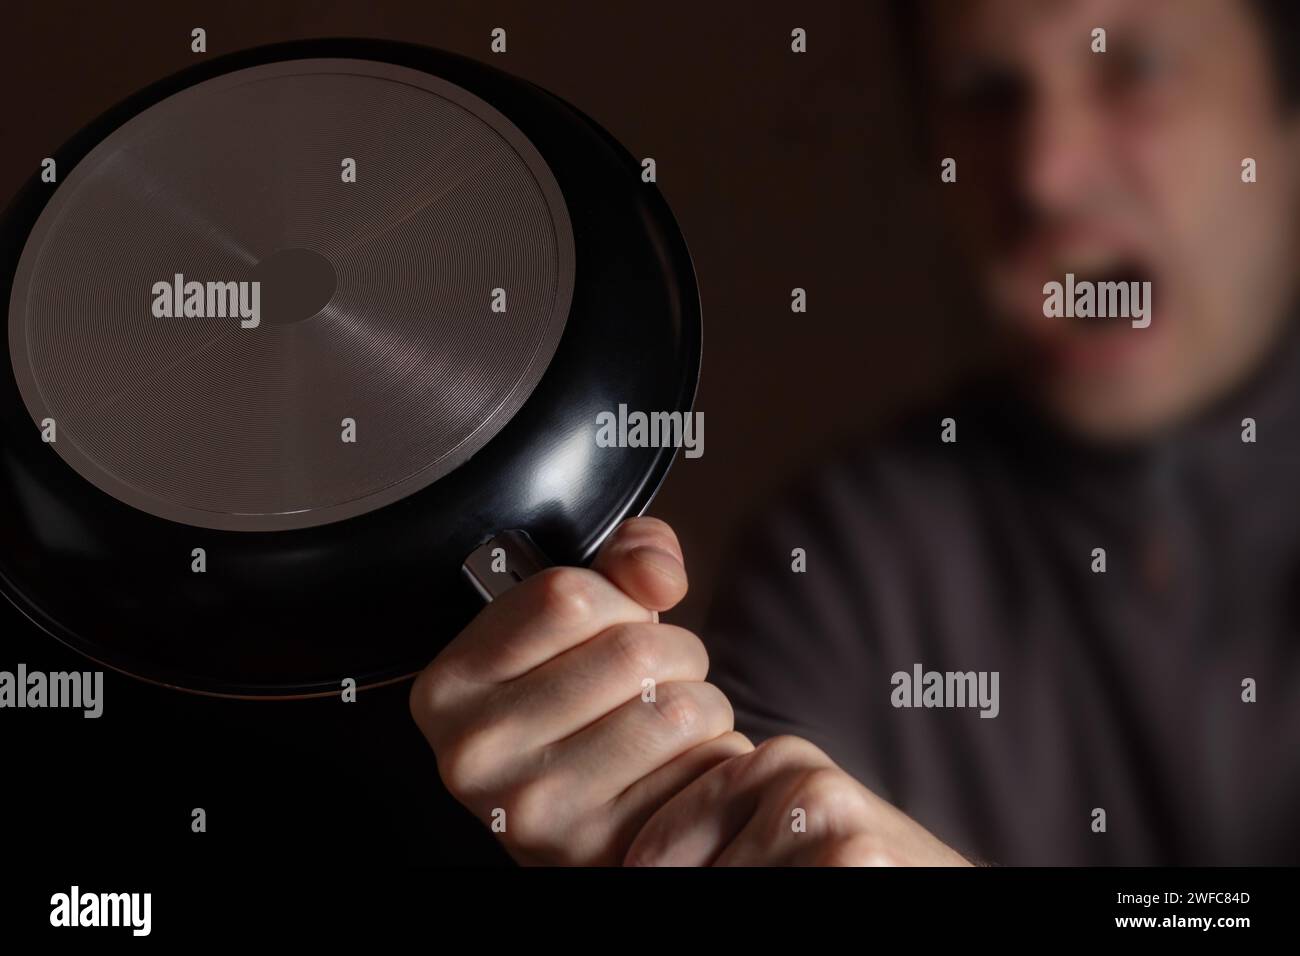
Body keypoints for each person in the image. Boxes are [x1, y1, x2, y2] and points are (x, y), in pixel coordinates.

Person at [410, 0, 1300, 865]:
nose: (1042, 173)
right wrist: (635, 824)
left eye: (1136, 69)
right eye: (985, 93)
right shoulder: (843, 564)